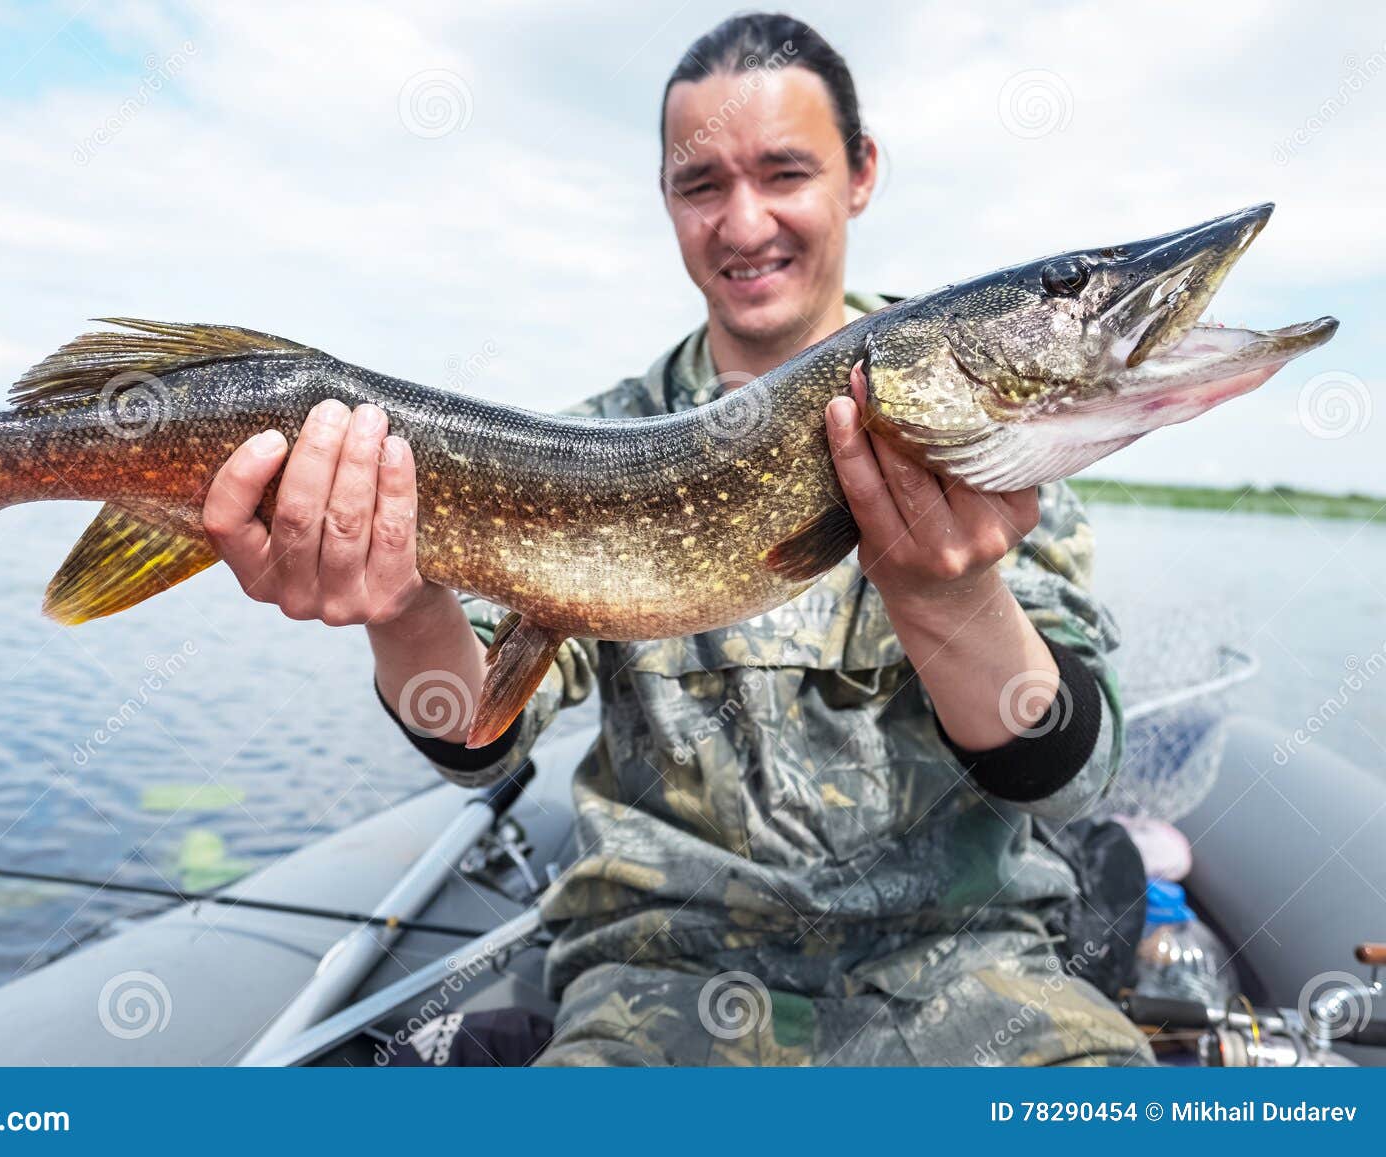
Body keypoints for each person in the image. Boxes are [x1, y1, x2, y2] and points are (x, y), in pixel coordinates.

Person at [201, 12, 1153, 1067]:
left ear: (861, 172)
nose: (743, 224)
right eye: (702, 185)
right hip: (659, 976)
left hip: (963, 963)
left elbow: (1071, 776)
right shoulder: (589, 440)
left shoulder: (978, 427)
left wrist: (950, 600)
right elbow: (479, 736)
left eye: (784, 172)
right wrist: (407, 607)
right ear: (665, 198)